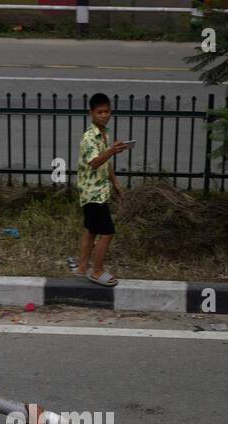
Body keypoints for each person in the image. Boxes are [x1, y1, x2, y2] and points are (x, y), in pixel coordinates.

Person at [70, 92, 129, 287]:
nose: (104, 115)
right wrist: (112, 150)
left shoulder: (103, 132)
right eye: (100, 112)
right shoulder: (89, 137)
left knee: (90, 230)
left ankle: (81, 268)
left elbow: (105, 163)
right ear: (91, 113)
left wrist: (116, 183)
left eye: (107, 111)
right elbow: (95, 162)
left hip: (98, 191)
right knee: (107, 232)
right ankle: (96, 271)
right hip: (93, 193)